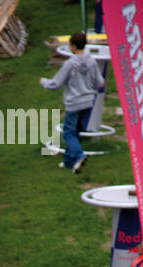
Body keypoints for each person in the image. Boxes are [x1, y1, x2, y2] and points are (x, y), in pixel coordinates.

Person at [40, 30, 105, 172]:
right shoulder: (92, 62)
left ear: (73, 46)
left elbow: (56, 84)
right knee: (76, 132)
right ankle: (69, 162)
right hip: (88, 102)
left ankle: (79, 155)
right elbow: (100, 83)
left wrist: (44, 81)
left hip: (74, 103)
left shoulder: (69, 64)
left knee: (68, 133)